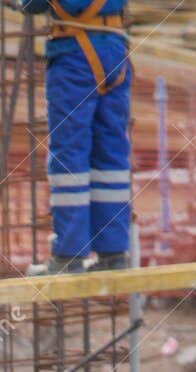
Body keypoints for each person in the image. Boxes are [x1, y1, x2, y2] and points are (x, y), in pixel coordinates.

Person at [19, 0, 131, 276]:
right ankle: (113, 253)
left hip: (75, 55)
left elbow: (32, 4)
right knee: (111, 153)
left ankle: (68, 256)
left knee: (69, 155)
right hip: (115, 51)